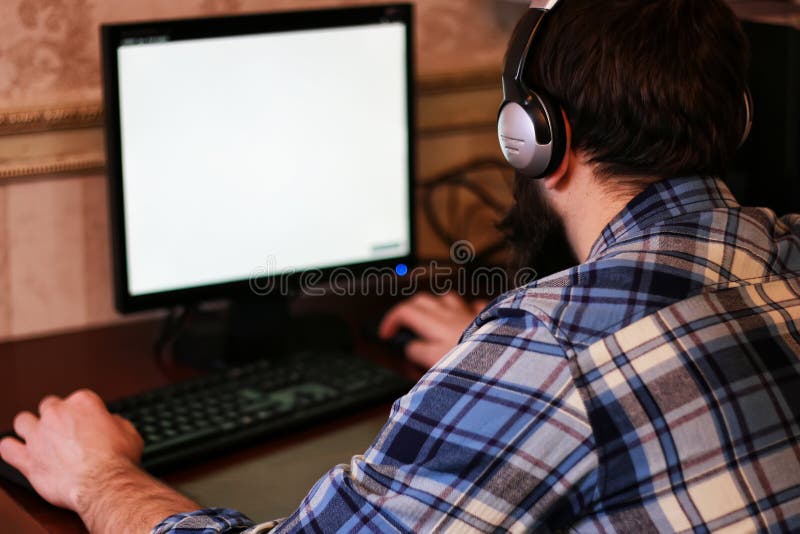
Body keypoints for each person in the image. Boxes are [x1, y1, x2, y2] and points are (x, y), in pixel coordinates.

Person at [3, 0, 800, 532]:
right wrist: (490, 365)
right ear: (738, 115)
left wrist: (97, 476)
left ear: (532, 138)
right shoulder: (784, 252)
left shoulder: (548, 355)